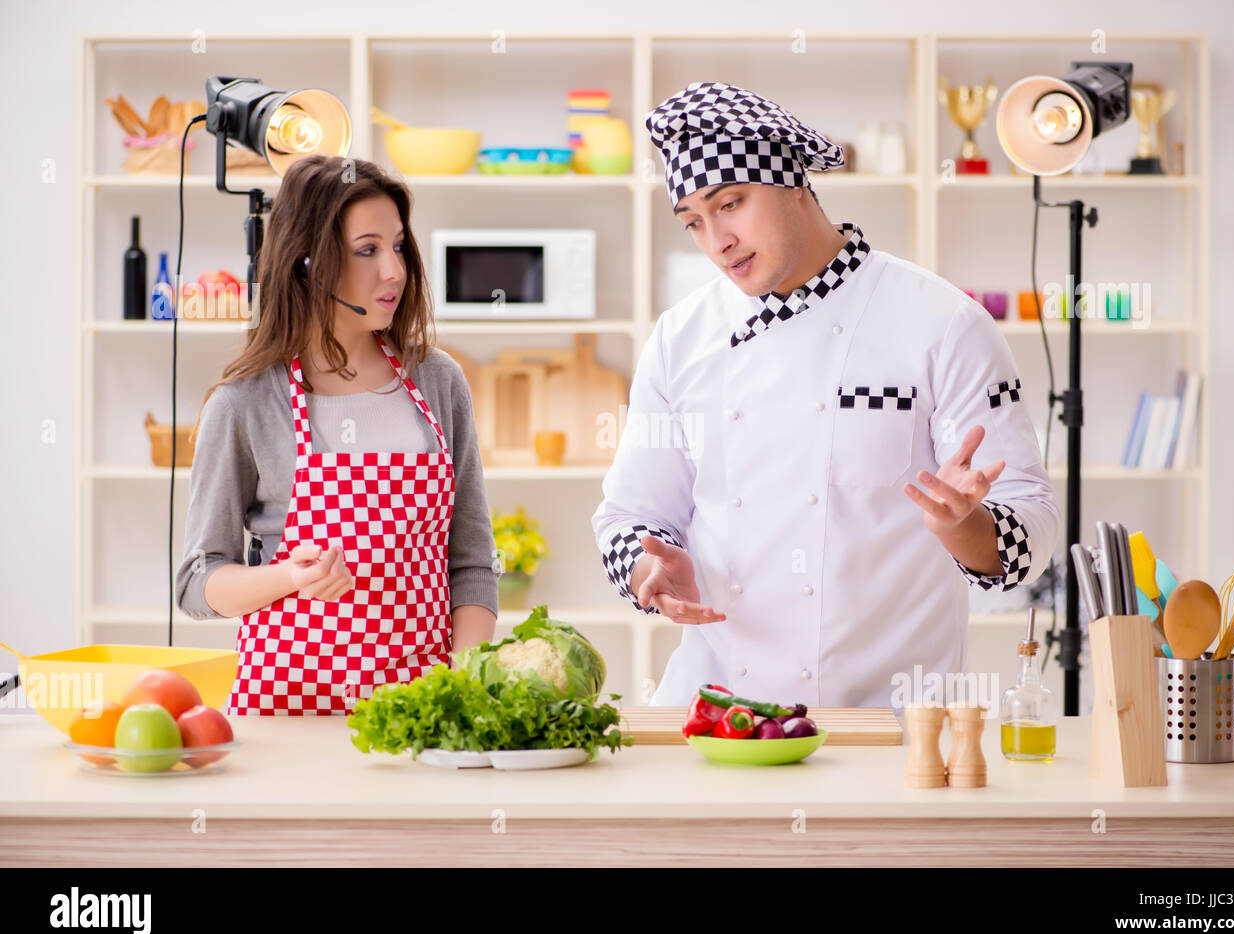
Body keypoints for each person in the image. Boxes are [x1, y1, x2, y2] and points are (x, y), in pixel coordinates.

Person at [591, 82, 1062, 708]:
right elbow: (629, 513)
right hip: (717, 718)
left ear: (793, 181)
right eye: (694, 223)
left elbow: (1030, 521)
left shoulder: (943, 323)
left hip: (893, 728)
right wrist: (647, 568)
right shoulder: (681, 337)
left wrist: (964, 526)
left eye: (730, 203)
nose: (717, 241)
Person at [177, 154, 498, 715]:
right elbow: (197, 582)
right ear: (309, 264)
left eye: (398, 246)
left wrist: (465, 693)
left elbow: (470, 565)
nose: (394, 270)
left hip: (423, 712)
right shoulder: (245, 402)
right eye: (367, 250)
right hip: (288, 714)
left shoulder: (438, 380)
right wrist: (284, 576)